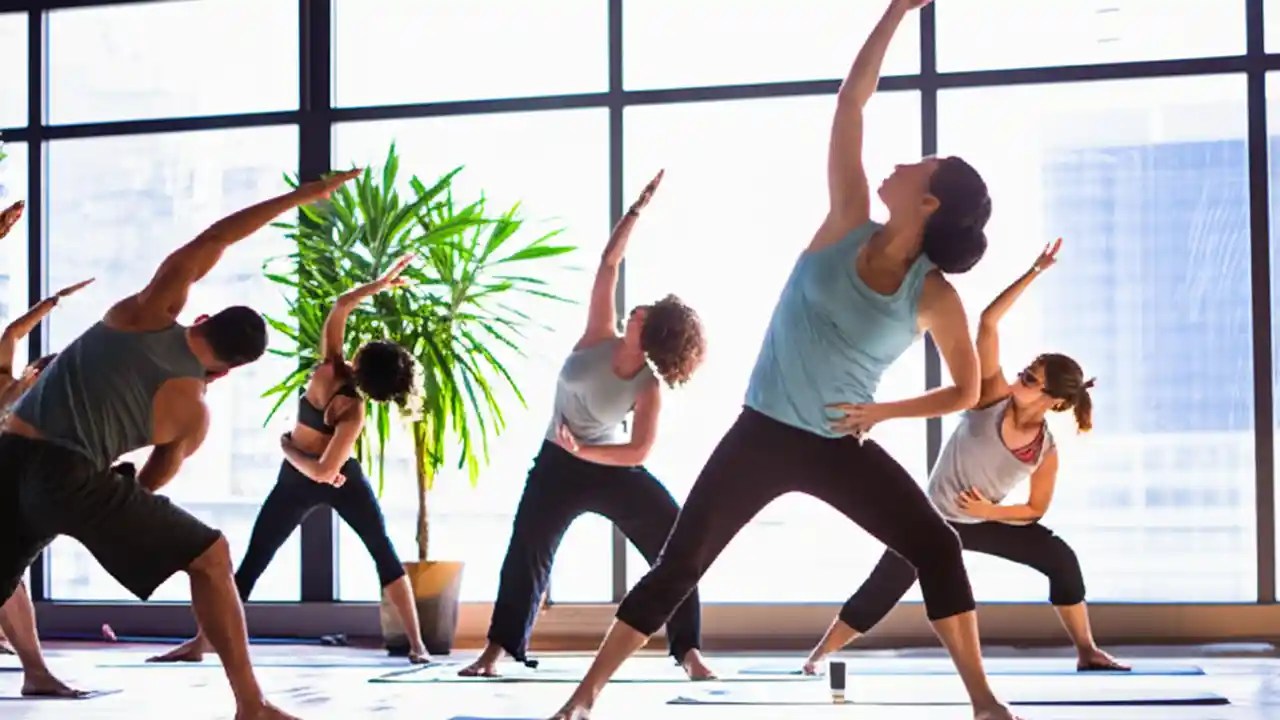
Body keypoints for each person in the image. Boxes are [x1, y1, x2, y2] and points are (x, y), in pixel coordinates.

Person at [544, 1, 1024, 718]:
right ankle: (583, 698)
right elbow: (851, 101)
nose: (898, 161)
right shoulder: (845, 217)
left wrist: (884, 412)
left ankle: (984, 700)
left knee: (937, 545)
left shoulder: (935, 297)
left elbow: (965, 389)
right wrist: (897, 11)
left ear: (928, 200)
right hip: (761, 433)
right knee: (680, 561)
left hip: (839, 444)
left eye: (918, 163)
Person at [0, 169, 359, 718]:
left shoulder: (144, 313)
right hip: (69, 479)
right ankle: (251, 705)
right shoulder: (194, 414)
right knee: (211, 556)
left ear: (204, 317)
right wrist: (114, 498)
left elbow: (216, 237)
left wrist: (303, 195)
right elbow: (153, 479)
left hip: (7, 452)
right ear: (230, 370)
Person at [802, 238, 1128, 675]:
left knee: (1061, 560)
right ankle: (816, 657)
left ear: (1052, 400)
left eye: (1030, 379)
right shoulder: (991, 397)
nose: (1020, 377)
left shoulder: (1044, 451)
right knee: (884, 585)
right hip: (934, 518)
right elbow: (989, 323)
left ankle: (1087, 650)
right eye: (1025, 370)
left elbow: (1035, 509)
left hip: (983, 520)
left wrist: (989, 510)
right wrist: (1034, 270)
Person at [456, 171, 713, 681]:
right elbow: (609, 262)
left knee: (675, 540)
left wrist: (587, 453)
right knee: (526, 548)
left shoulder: (647, 387)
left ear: (653, 337)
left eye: (643, 315)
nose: (634, 310)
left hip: (605, 463)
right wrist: (636, 209)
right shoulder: (599, 333)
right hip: (557, 462)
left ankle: (689, 652)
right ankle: (497, 650)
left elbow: (638, 452)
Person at [150, 254, 431, 665]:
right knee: (255, 559)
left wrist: (287, 447)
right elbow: (340, 306)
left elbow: (323, 471)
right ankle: (200, 644)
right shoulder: (336, 370)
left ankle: (418, 646)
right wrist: (380, 284)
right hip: (304, 477)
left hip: (325, 474)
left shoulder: (344, 399)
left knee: (382, 551)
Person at [0, 278, 93, 656]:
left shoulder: (38, 416)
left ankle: (22, 650)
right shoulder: (4, 377)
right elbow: (12, 332)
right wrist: (53, 302)